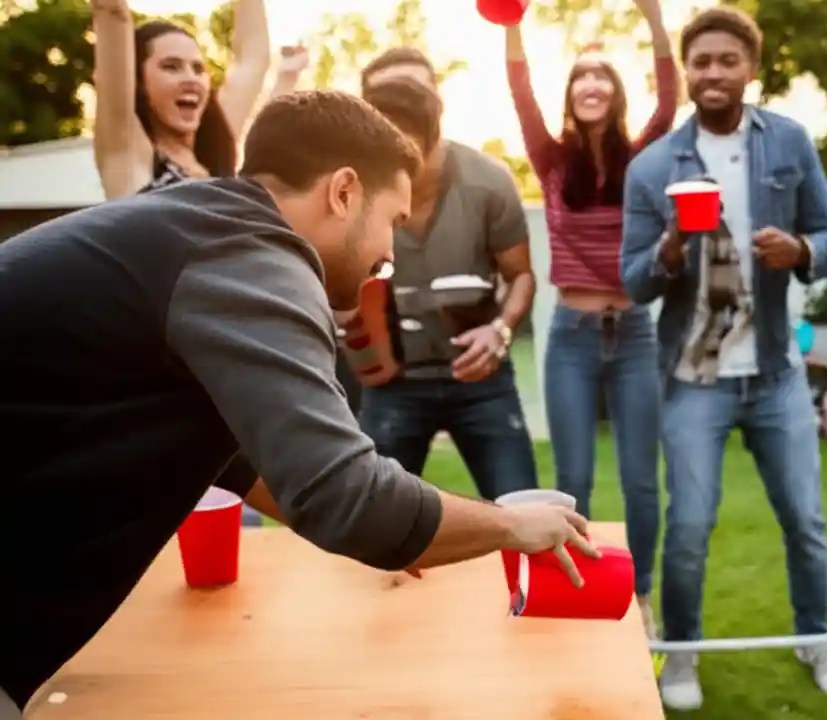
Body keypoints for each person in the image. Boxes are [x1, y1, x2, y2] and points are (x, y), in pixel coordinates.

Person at [0, 90, 595, 715]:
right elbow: (348, 498)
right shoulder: (254, 258)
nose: (390, 256)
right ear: (343, 191)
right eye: (391, 219)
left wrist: (410, 529)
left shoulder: (198, 230)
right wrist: (508, 525)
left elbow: (247, 458)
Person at [619, 6, 827, 710]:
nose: (713, 73)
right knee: (687, 528)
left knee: (805, 520)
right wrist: (664, 252)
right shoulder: (654, 165)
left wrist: (802, 251)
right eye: (701, 62)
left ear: (750, 68)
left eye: (727, 60)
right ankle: (682, 655)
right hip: (696, 378)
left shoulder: (787, 143)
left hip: (776, 373)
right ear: (686, 71)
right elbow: (632, 280)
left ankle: (815, 636)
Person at [503, 0, 675, 639]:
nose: (591, 84)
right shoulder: (549, 161)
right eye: (580, 77)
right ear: (571, 95)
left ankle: (642, 596)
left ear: (615, 92)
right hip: (571, 338)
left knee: (639, 481)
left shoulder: (644, 160)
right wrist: (512, 23)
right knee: (571, 479)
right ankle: (573, 589)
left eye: (602, 75)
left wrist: (654, 19)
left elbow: (667, 102)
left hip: (634, 336)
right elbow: (520, 93)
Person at [341, 48, 540, 501]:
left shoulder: (488, 180)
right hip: (392, 384)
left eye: (416, 91)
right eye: (387, 99)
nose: (403, 105)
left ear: (436, 105)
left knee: (524, 510)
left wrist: (501, 330)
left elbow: (522, 275)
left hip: (481, 380)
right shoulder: (349, 190)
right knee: (370, 524)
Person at [90, 0, 272, 198]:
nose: (191, 79)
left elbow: (254, 58)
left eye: (198, 69)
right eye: (171, 67)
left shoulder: (215, 150)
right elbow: (111, 12)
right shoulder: (128, 156)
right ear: (138, 82)